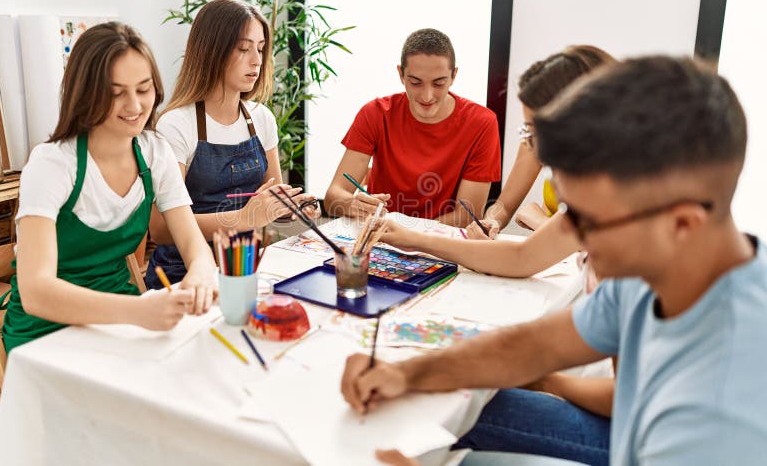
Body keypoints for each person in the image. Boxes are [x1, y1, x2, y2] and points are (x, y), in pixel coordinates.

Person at [342, 56, 767, 464]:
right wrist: (408, 374)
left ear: (682, 224)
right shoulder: (648, 274)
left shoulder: (722, 404)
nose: (574, 236)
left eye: (590, 220)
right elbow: (535, 345)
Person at [0, 22, 218, 352]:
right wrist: (138, 311)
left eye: (143, 89)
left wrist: (201, 275)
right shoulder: (52, 164)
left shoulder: (154, 152)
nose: (134, 106)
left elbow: (193, 244)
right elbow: (35, 292)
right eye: (116, 94)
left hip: (121, 318)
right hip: (46, 331)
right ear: (86, 95)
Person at [146, 0, 318, 289]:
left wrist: (290, 208)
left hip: (245, 267)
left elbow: (272, 195)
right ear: (212, 51)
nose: (257, 60)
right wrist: (244, 217)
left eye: (261, 49)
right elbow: (160, 230)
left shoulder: (261, 118)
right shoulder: (176, 125)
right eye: (243, 48)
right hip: (183, 277)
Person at [324, 28, 501, 226]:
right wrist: (350, 203)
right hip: (379, 239)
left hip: (441, 245)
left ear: (453, 76)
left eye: (439, 84)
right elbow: (333, 196)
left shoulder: (482, 123)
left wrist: (408, 235)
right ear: (401, 74)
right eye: (415, 82)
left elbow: (467, 216)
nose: (427, 96)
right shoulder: (375, 114)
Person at [466, 45, 615, 238]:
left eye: (537, 129)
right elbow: (504, 206)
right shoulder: (535, 140)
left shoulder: (619, 166)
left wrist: (537, 219)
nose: (531, 142)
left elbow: (590, 240)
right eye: (528, 128)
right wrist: (492, 220)